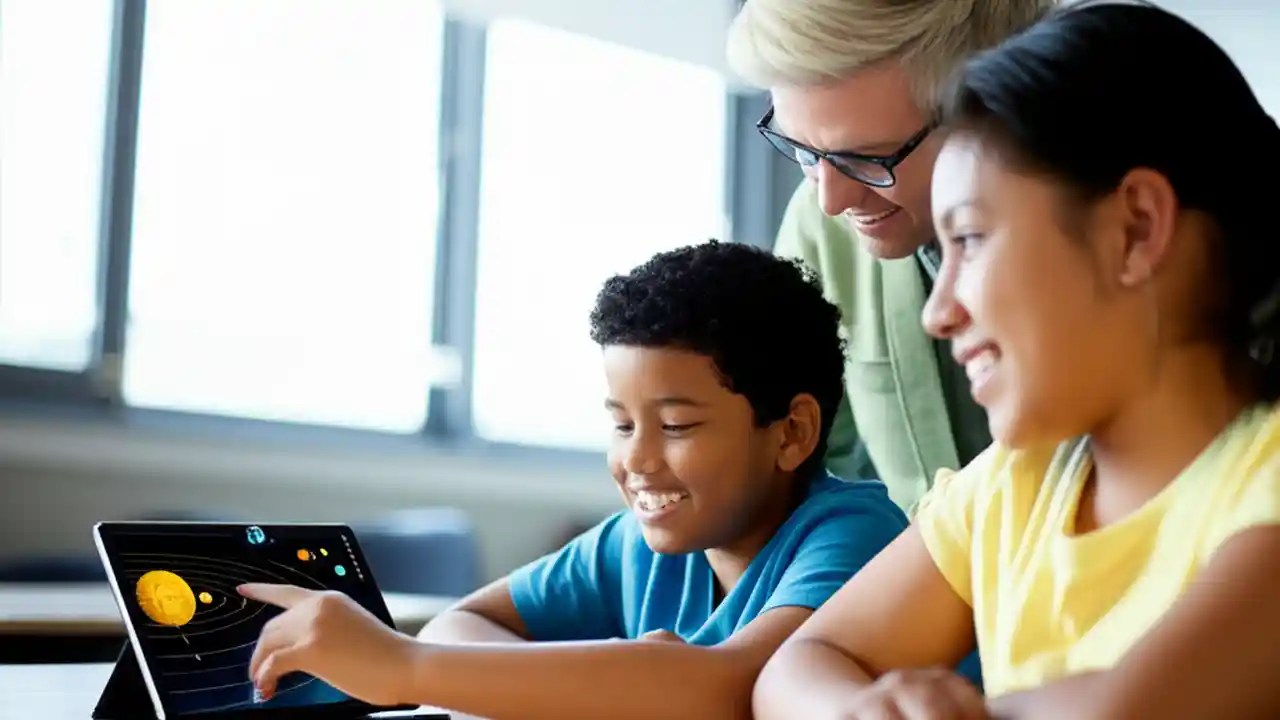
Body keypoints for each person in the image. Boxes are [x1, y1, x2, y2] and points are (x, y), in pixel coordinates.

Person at [752, 2, 1280, 718]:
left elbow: (1121, 710)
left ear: (1136, 228)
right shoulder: (1010, 486)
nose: (939, 312)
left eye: (968, 240)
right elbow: (795, 670)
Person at [237, 241, 908, 718]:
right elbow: (458, 621)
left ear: (790, 433)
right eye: (621, 425)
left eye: (675, 426)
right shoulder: (633, 545)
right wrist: (628, 676)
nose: (637, 461)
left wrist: (400, 669)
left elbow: (733, 690)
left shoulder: (857, 534)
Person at [726, 0, 1052, 512]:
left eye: (867, 158)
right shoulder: (818, 224)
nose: (832, 200)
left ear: (994, 110)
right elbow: (788, 481)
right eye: (805, 152)